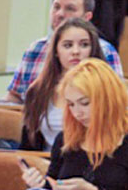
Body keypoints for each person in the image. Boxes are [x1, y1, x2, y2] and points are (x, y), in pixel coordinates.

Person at [19, 59, 128, 190]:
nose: (77, 113)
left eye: (85, 103)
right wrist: (39, 187)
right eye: (71, 104)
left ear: (108, 100)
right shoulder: (65, 140)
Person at [18, 18, 107, 151]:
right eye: (67, 45)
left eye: (84, 45)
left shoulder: (105, 88)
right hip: (47, 164)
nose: (76, 51)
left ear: (92, 50)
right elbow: (28, 145)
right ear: (56, 51)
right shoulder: (37, 90)